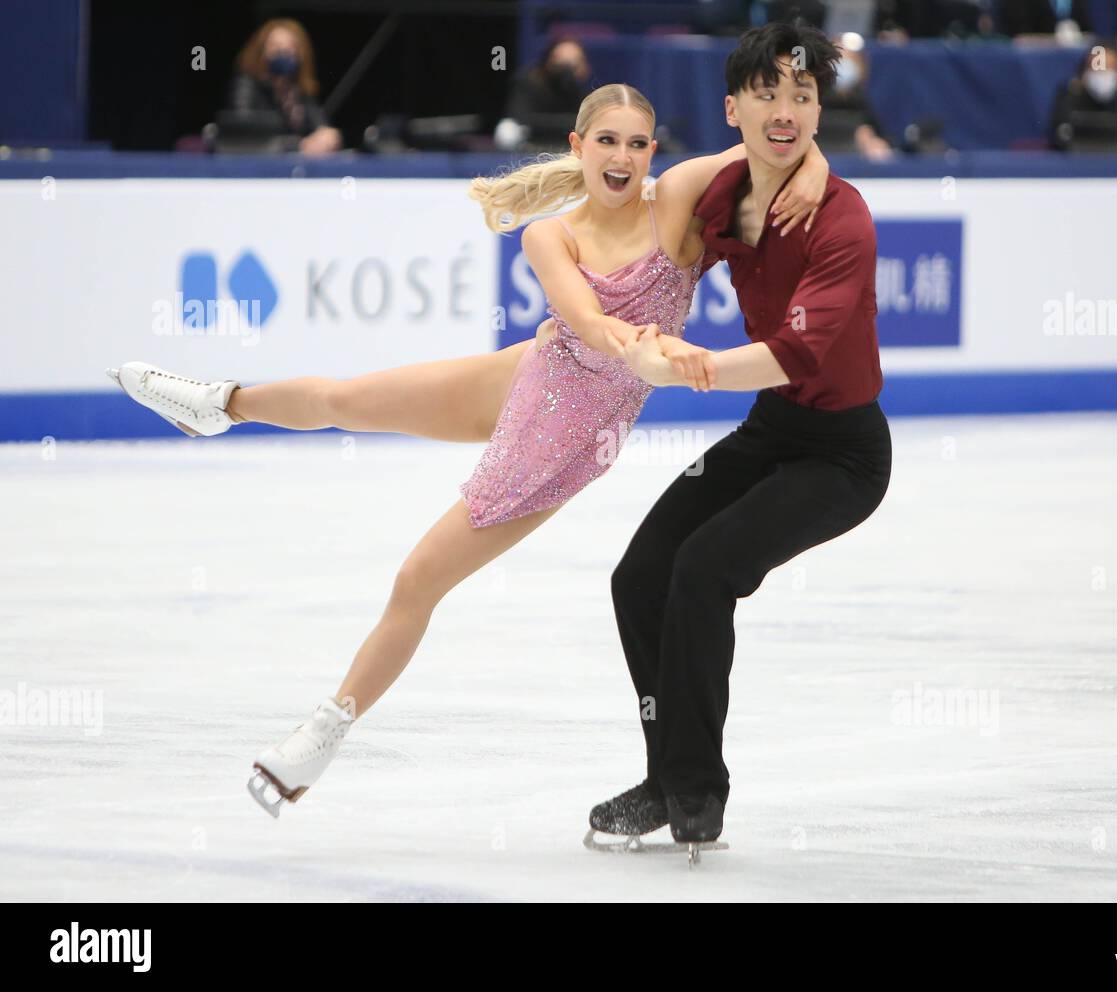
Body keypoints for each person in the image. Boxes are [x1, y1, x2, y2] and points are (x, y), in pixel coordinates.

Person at [104, 83, 830, 818]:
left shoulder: (674, 204)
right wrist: (632, 345)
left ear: (653, 151)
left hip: (558, 439)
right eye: (606, 141)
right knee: (344, 400)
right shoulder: (552, 234)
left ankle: (323, 733)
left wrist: (814, 167)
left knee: (418, 579)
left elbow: (782, 138)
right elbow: (582, 318)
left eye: (637, 143)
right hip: (534, 372)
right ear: (578, 148)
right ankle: (218, 405)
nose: (623, 157)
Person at [589, 22, 892, 846]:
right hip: (772, 430)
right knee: (639, 575)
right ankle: (665, 773)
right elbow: (649, 199)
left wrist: (690, 368)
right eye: (767, 95)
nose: (785, 110)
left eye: (802, 95)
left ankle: (695, 790)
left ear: (821, 109)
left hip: (843, 452)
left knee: (702, 569)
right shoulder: (727, 191)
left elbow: (794, 353)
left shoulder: (844, 222)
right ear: (733, 108)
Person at [227, 18, 342, 156]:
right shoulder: (247, 86)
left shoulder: (300, 90)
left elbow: (321, 126)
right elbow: (246, 132)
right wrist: (298, 146)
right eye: (276, 47)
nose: (283, 53)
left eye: (290, 48)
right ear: (262, 52)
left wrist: (328, 137)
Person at [1048, 44, 1117, 153]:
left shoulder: (1116, 101)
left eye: (1110, 67)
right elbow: (1062, 136)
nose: (1104, 73)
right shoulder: (1069, 96)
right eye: (1099, 67)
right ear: (1085, 70)